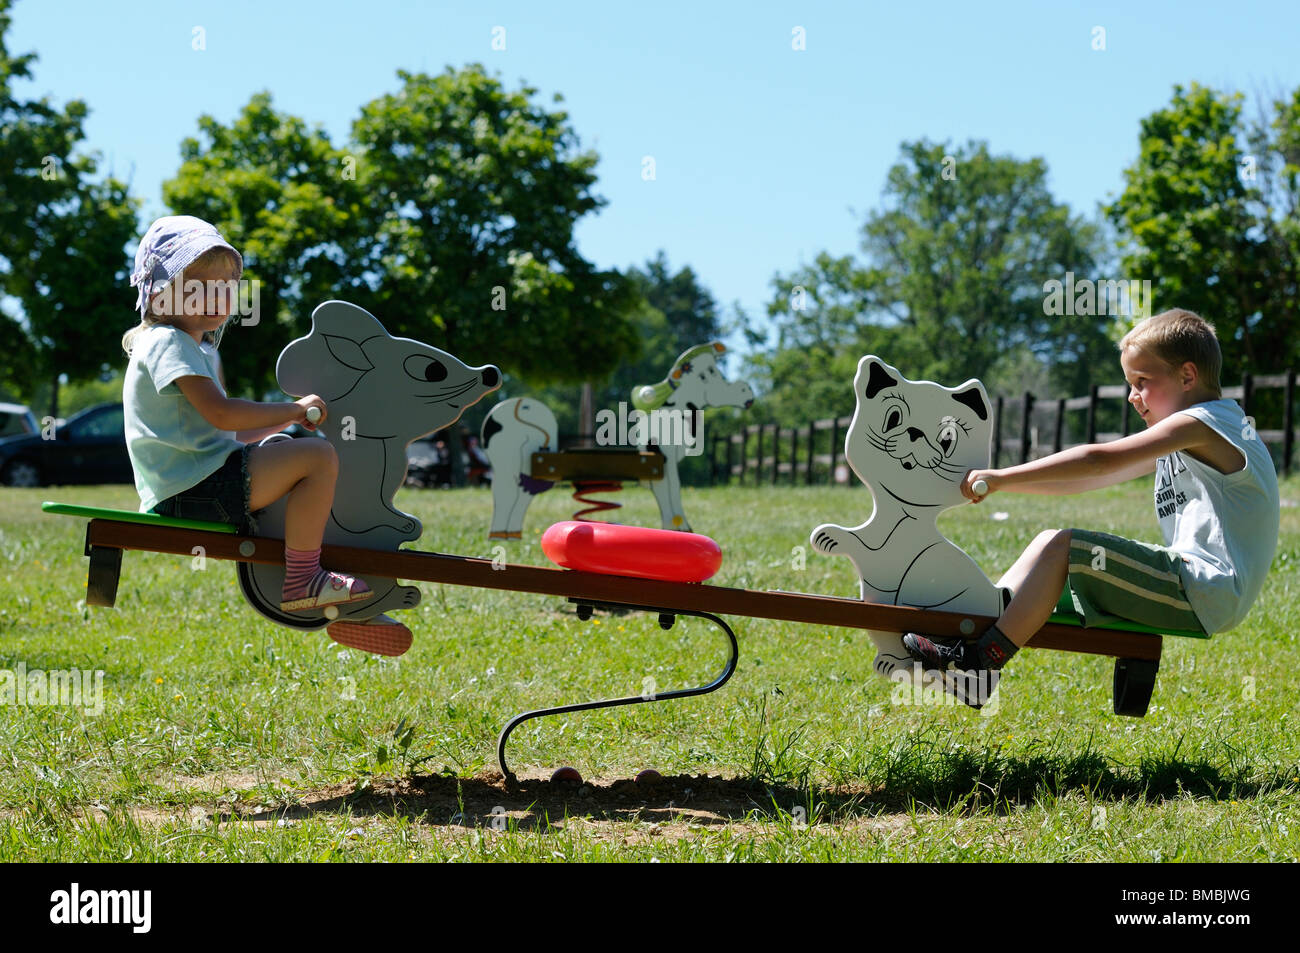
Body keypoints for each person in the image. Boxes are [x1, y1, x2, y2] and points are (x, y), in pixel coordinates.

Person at [903, 308, 1280, 705]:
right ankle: (972, 626)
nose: (1134, 396)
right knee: (1050, 543)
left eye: (1142, 381)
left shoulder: (1204, 423)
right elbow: (1088, 478)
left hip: (1206, 589)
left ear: (1187, 376)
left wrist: (1003, 477)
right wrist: (1004, 486)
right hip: (1193, 586)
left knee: (1064, 548)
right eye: (1130, 384)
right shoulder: (1190, 433)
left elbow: (1098, 460)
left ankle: (980, 664)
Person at [121, 215, 410, 656]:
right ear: (161, 291)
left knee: (288, 455)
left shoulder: (183, 346)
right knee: (317, 459)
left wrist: (289, 421)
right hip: (195, 487)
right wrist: (294, 408)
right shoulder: (168, 343)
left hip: (192, 482)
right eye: (200, 284)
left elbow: (233, 428)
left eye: (226, 285)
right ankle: (302, 581)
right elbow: (222, 414)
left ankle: (350, 601)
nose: (217, 295)